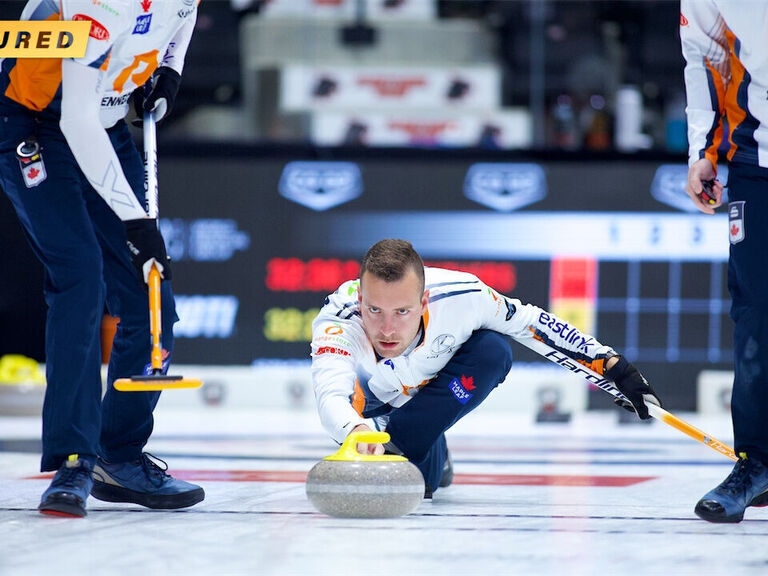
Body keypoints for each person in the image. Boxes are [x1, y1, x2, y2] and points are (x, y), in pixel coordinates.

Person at [0, 0, 204, 517]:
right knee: (80, 278)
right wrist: (136, 222)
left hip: (104, 125)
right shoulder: (99, 4)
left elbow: (181, 23)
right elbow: (76, 118)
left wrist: (170, 72)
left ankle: (119, 455)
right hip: (33, 123)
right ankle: (74, 459)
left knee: (149, 292)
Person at [310, 239, 662, 497]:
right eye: (374, 311)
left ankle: (410, 442)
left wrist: (613, 370)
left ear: (424, 301)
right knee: (416, 477)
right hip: (368, 411)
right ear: (360, 300)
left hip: (422, 402)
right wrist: (357, 431)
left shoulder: (464, 297)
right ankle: (423, 447)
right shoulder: (338, 321)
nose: (387, 329)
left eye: (402, 312)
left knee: (492, 350)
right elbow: (331, 394)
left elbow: (532, 325)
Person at [681, 1, 768, 523]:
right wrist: (704, 151)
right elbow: (706, 59)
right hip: (758, 159)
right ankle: (757, 462)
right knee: (756, 315)